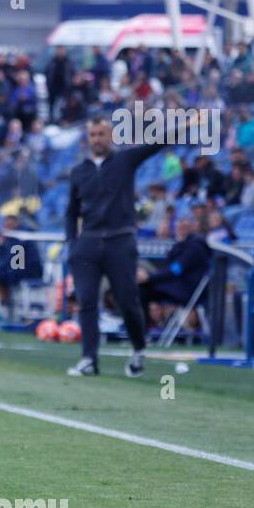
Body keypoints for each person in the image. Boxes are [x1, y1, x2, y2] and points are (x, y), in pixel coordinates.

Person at [64, 117, 167, 377]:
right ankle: (89, 358)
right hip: (88, 242)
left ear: (110, 135)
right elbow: (71, 212)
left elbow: (156, 143)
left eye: (101, 133)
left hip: (120, 240)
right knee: (86, 300)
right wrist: (72, 245)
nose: (97, 139)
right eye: (93, 134)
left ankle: (138, 349)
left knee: (126, 300)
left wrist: (187, 125)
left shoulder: (124, 161)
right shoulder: (79, 172)